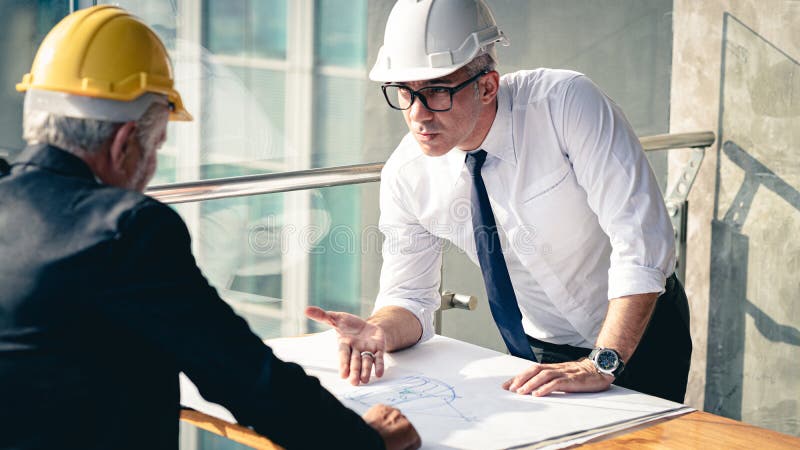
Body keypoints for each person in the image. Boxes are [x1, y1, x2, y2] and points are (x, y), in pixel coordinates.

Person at [0, 6, 421, 450]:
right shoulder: (126, 230)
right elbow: (241, 374)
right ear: (125, 142)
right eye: (156, 145)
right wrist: (364, 442)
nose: (152, 166)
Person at [306, 0, 691, 403]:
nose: (418, 115)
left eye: (436, 91)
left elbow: (643, 241)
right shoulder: (407, 174)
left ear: (487, 86)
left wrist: (602, 362)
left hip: (641, 329)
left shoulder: (565, 104)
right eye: (404, 92)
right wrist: (379, 330)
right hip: (542, 345)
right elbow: (409, 297)